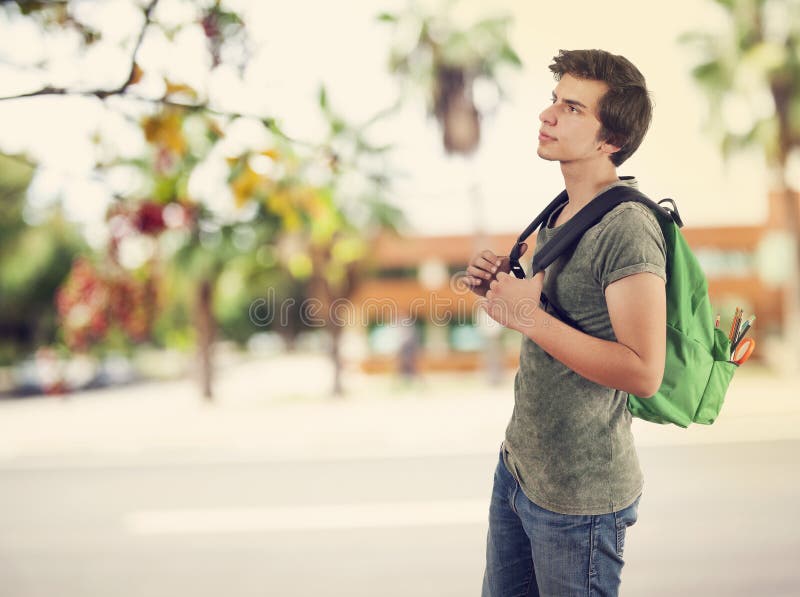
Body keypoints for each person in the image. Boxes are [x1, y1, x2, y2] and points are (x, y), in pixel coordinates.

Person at [464, 49, 667, 597]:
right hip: (521, 469)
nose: (547, 115)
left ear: (611, 141)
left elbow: (644, 371)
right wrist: (499, 286)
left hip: (580, 500)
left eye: (573, 108)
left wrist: (528, 318)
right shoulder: (560, 210)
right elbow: (541, 311)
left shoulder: (628, 227)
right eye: (554, 101)